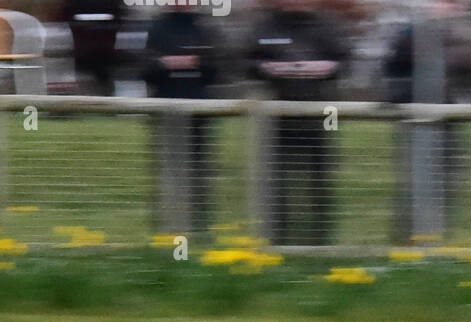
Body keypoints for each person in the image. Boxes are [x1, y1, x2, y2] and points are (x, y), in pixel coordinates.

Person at [248, 0, 350, 246]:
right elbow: (244, 61)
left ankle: (319, 243)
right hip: (276, 119)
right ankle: (278, 241)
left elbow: (346, 60)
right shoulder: (264, 25)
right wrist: (268, 69)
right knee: (276, 183)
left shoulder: (328, 24)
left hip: (321, 116)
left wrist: (327, 68)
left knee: (320, 181)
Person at [384, 0, 471, 240]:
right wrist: (408, 96)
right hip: (418, 122)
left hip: (450, 122)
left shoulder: (465, 38)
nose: (452, 8)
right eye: (447, 3)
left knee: (448, 184)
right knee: (417, 184)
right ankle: (407, 243)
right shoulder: (411, 34)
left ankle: (438, 241)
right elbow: (392, 71)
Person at [143, 1, 224, 235]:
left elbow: (218, 67)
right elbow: (143, 69)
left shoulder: (207, 28)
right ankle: (167, 230)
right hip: (165, 113)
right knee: (167, 173)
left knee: (199, 175)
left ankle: (199, 229)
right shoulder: (154, 28)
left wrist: (196, 63)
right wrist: (165, 64)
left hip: (199, 114)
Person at [58, 1, 124, 96]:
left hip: (87, 53)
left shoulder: (76, 5)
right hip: (101, 53)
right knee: (104, 87)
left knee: (94, 87)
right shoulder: (110, 4)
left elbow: (66, 17)